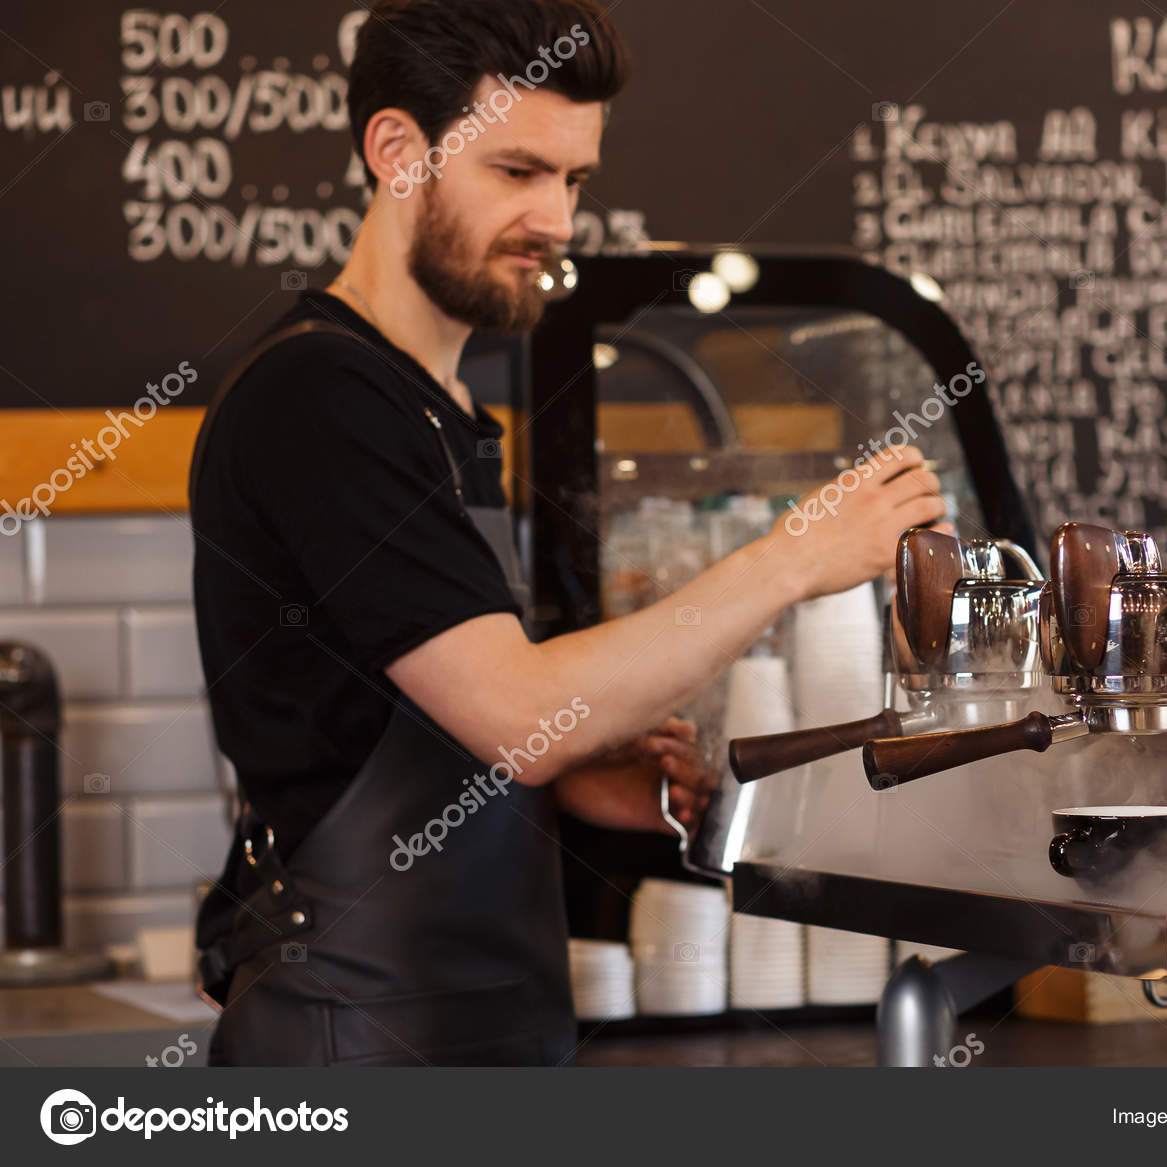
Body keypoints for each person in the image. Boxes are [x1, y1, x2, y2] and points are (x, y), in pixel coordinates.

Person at [187, 0, 945, 1066]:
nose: (555, 219)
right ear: (397, 151)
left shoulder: (437, 410)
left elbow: (443, 715)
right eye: (515, 172)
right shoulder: (322, 397)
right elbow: (515, 706)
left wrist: (579, 772)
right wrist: (799, 557)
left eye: (573, 181)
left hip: (475, 1029)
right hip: (350, 1039)